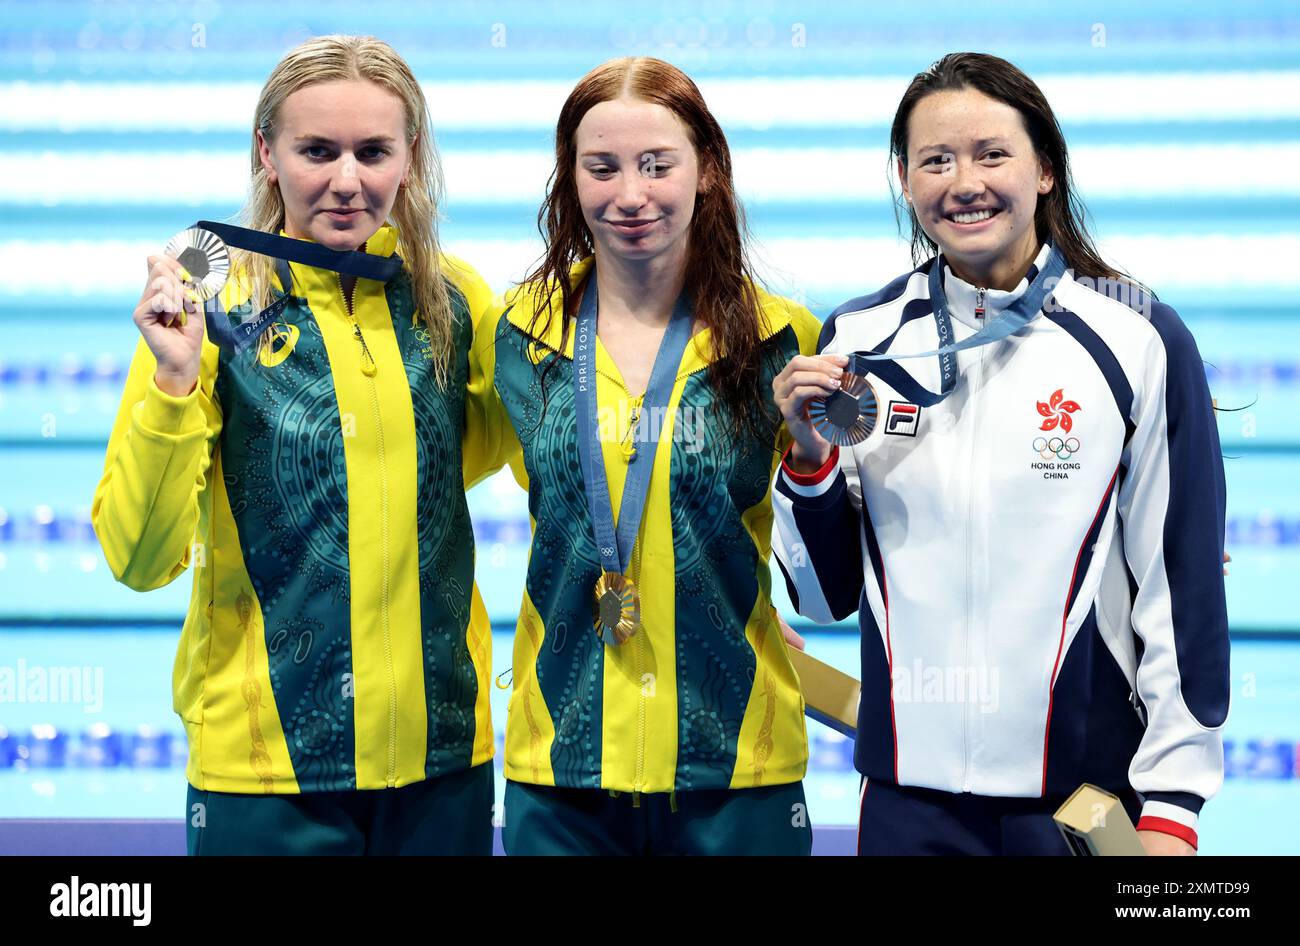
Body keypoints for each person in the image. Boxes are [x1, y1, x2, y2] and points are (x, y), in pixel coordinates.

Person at [771, 52, 1229, 856]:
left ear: (1045, 169)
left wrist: (1174, 806)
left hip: (1084, 803)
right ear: (905, 181)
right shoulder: (859, 341)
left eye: (992, 154)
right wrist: (807, 462)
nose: (963, 181)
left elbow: (1179, 582)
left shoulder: (1137, 338)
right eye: (934, 160)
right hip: (908, 805)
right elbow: (822, 596)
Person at [91, 35, 510, 855]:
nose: (347, 181)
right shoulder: (207, 292)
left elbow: (557, 466)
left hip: (443, 759)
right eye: (317, 151)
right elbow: (139, 559)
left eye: (373, 151)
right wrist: (175, 385)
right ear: (267, 152)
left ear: (411, 156)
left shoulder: (452, 299)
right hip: (265, 778)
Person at [469, 56, 821, 855]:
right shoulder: (517, 338)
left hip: (738, 769)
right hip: (562, 768)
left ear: (707, 173)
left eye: (658, 165)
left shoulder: (781, 338)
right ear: (571, 180)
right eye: (603, 168)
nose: (631, 195)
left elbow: (823, 533)